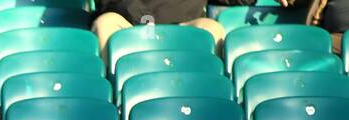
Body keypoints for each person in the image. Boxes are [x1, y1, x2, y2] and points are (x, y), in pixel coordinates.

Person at [91, 0, 298, 55]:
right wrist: (148, 21)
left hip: (183, 27)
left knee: (211, 27)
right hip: (132, 26)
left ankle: (209, 94)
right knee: (105, 23)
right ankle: (117, 96)